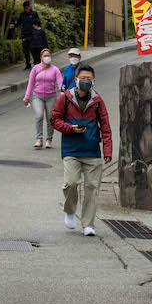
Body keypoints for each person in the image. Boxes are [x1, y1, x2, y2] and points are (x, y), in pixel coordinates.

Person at [51, 62, 112, 236]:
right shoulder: (65, 98)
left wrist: (107, 150)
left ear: (94, 81)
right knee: (70, 183)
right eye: (82, 78)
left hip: (92, 150)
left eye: (89, 79)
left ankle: (88, 224)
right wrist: (71, 128)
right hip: (71, 150)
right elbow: (54, 120)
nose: (86, 81)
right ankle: (70, 210)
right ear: (76, 79)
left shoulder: (98, 100)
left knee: (92, 188)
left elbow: (106, 126)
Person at [23, 47, 63, 149]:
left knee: (50, 119)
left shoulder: (55, 70)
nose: (47, 58)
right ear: (41, 57)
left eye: (48, 56)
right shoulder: (35, 68)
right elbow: (30, 83)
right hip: (37, 96)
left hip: (51, 97)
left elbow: (60, 83)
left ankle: (49, 139)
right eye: (45, 56)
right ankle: (39, 139)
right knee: (39, 115)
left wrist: (63, 95)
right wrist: (27, 97)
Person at [14, 0, 42, 70]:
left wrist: (39, 31)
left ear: (29, 7)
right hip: (25, 34)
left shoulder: (34, 14)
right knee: (25, 51)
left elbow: (38, 23)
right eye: (24, 8)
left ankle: (36, 64)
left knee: (33, 50)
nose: (26, 9)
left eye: (26, 8)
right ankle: (28, 64)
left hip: (33, 35)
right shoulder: (22, 14)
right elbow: (19, 23)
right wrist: (14, 26)